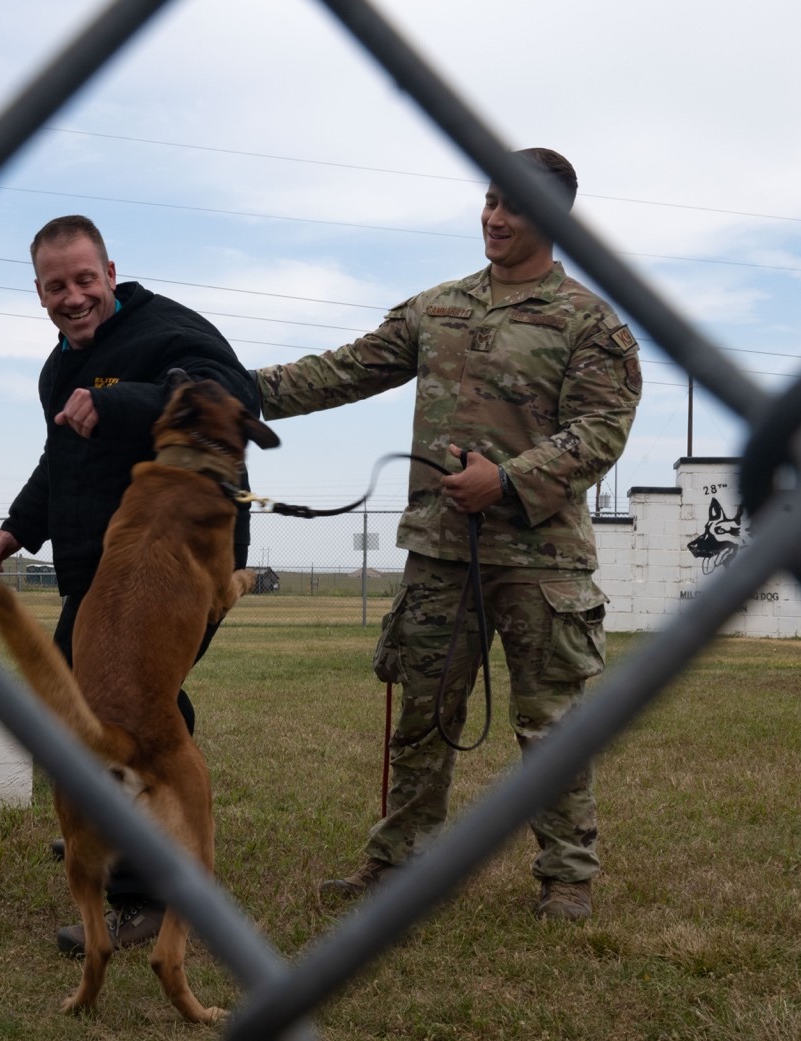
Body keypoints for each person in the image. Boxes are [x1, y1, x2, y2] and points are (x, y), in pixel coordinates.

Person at [256, 148, 642, 921]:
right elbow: (348, 368)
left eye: (516, 206)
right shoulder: (436, 308)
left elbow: (600, 430)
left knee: (552, 727)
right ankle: (399, 864)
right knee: (425, 717)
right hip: (439, 551)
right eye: (491, 199)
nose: (496, 217)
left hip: (541, 559)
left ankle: (566, 877)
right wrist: (241, 389)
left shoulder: (590, 323)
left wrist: (505, 478)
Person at [0, 214, 259, 953]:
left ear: (110, 271)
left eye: (84, 279)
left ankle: (144, 886)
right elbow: (59, 458)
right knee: (82, 705)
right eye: (55, 285)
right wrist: (19, 525)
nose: (72, 297)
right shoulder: (59, 366)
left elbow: (231, 395)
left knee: (131, 711)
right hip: (101, 572)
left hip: (175, 563)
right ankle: (114, 826)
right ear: (38, 291)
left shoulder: (167, 331)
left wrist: (123, 399)